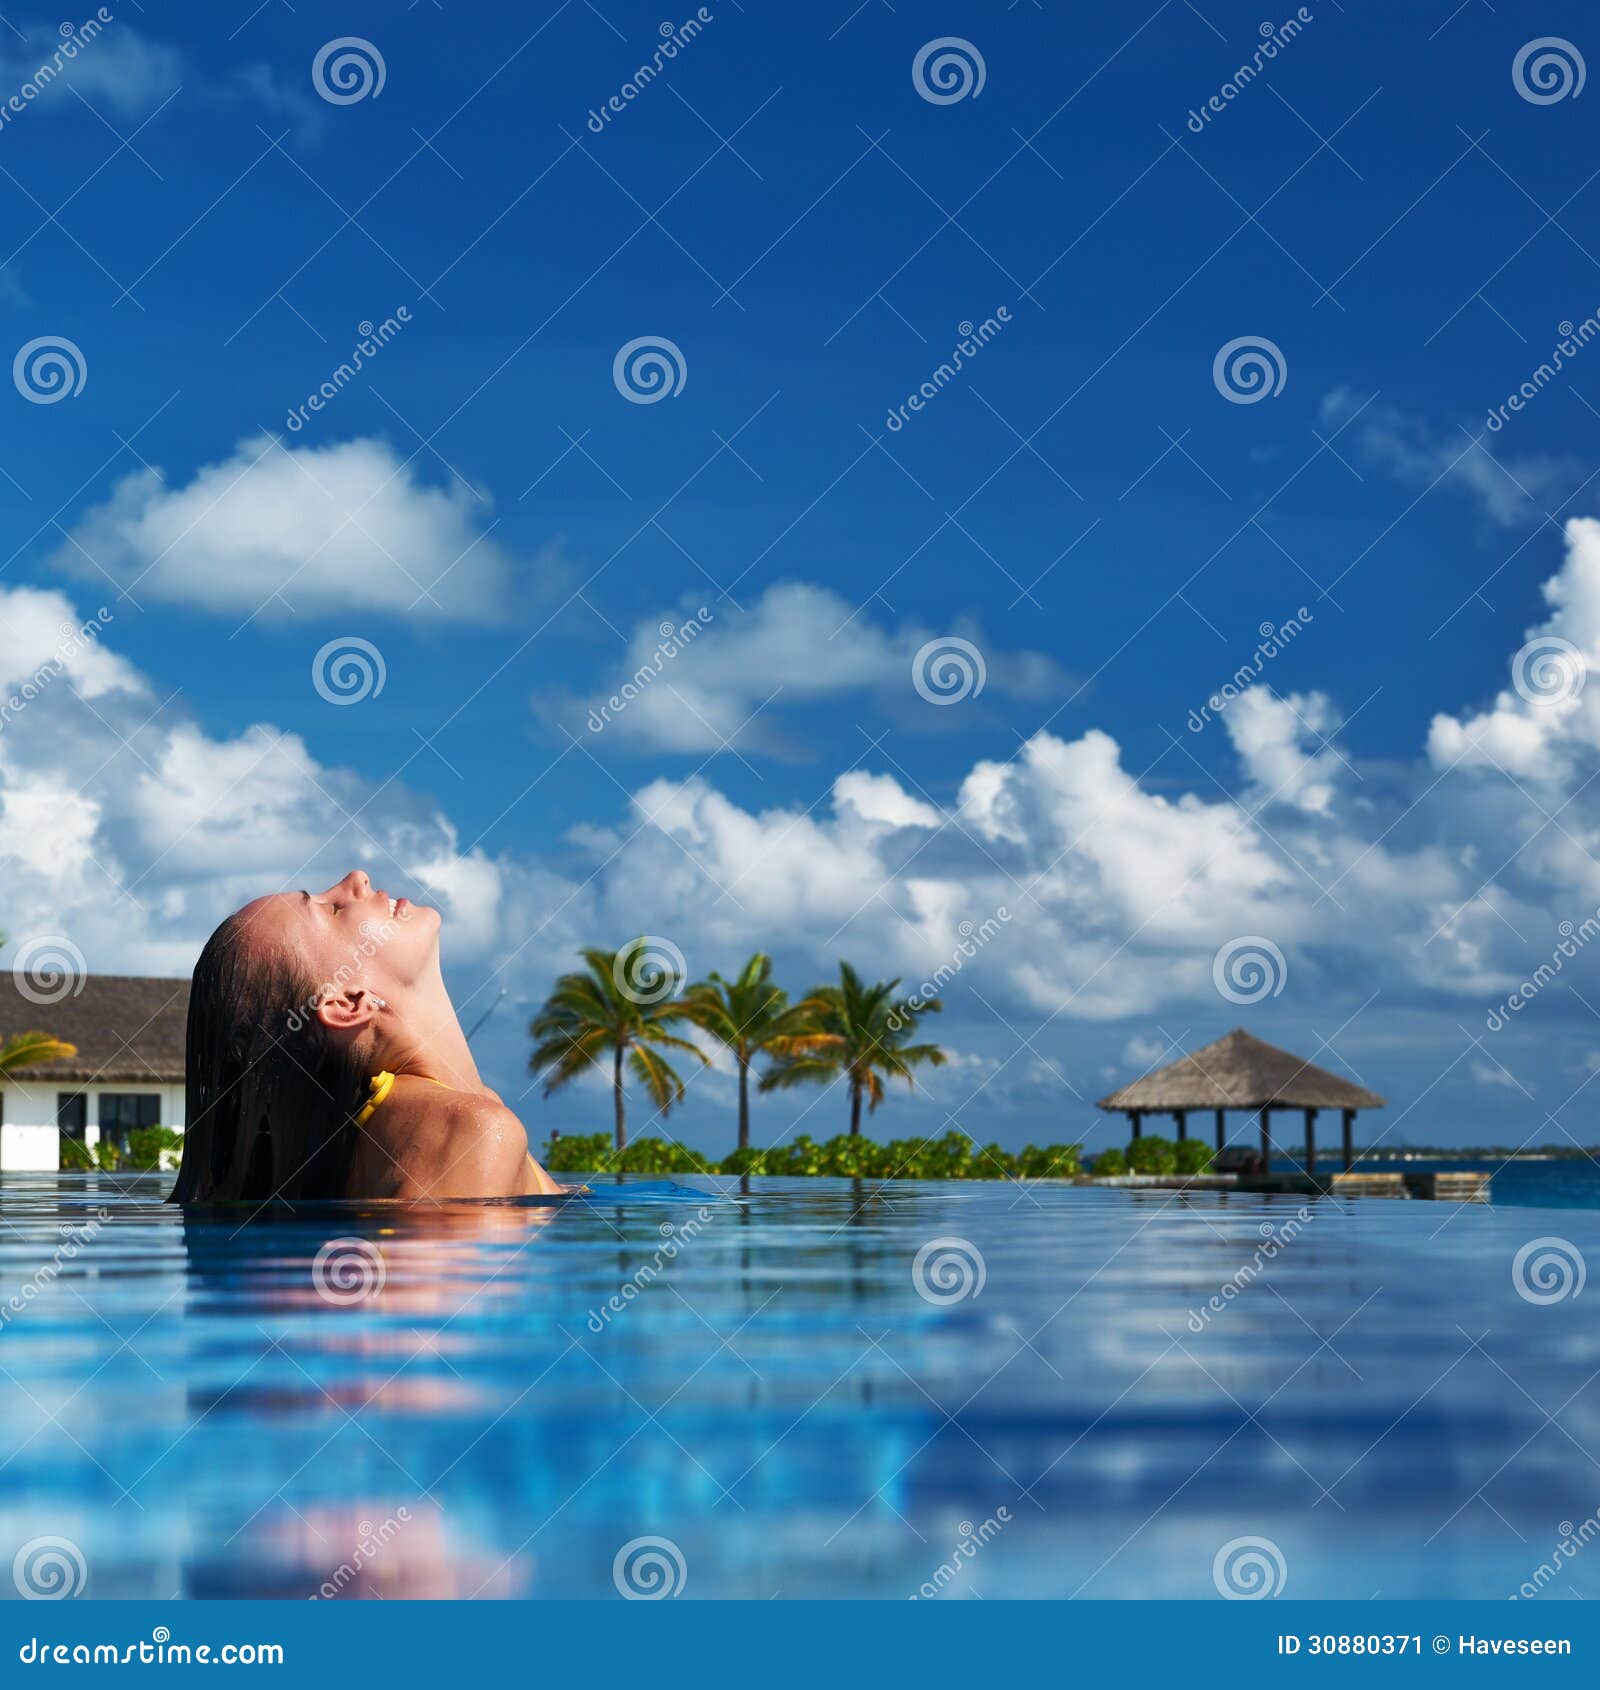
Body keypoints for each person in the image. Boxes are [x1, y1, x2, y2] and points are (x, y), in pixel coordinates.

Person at [170, 870, 562, 1202]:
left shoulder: (453, 1120)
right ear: (347, 1004)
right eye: (333, 909)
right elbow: (455, 1293)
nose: (357, 878)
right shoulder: (470, 1132)